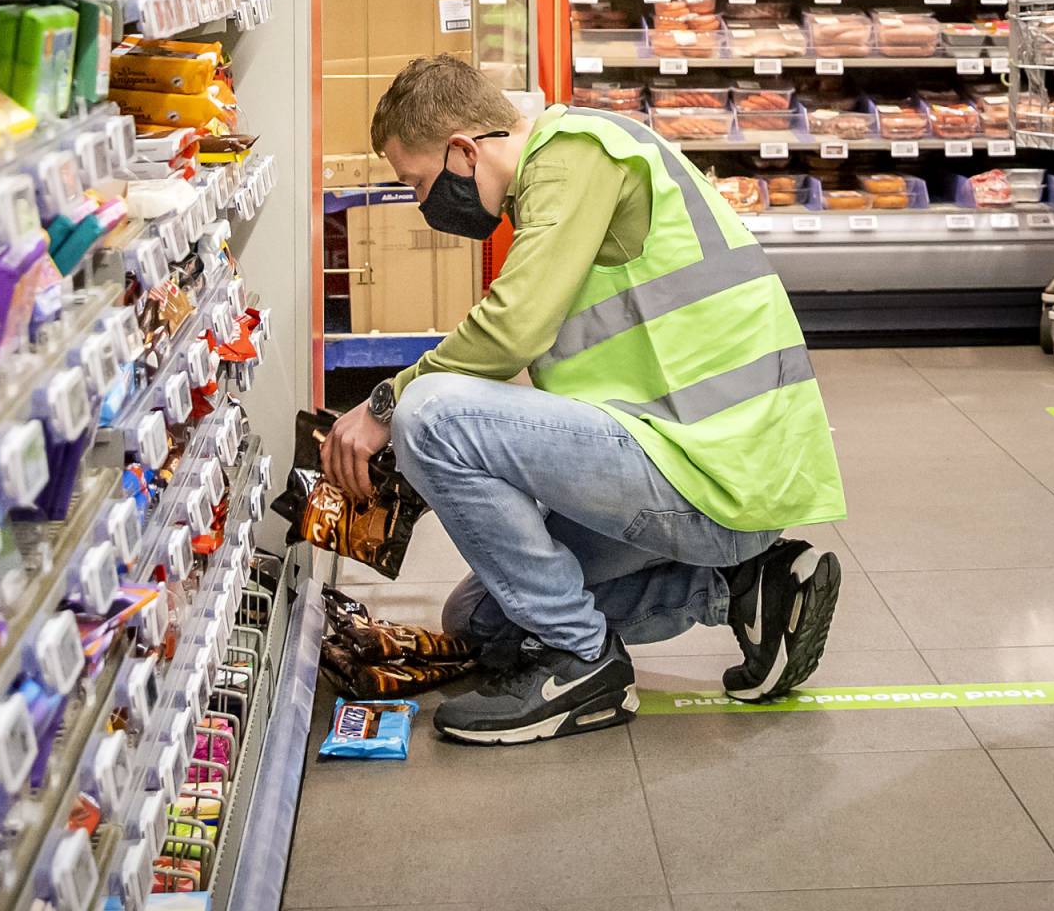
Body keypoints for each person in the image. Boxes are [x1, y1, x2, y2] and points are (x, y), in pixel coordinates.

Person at [325, 54, 848, 745]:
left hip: (714, 470)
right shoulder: (567, 180)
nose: (426, 207)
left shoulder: (574, 156)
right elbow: (525, 378)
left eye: (419, 184)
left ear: (461, 150)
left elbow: (509, 333)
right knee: (482, 624)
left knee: (428, 412)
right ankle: (748, 587)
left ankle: (583, 663)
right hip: (692, 466)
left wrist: (386, 407)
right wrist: (432, 476)